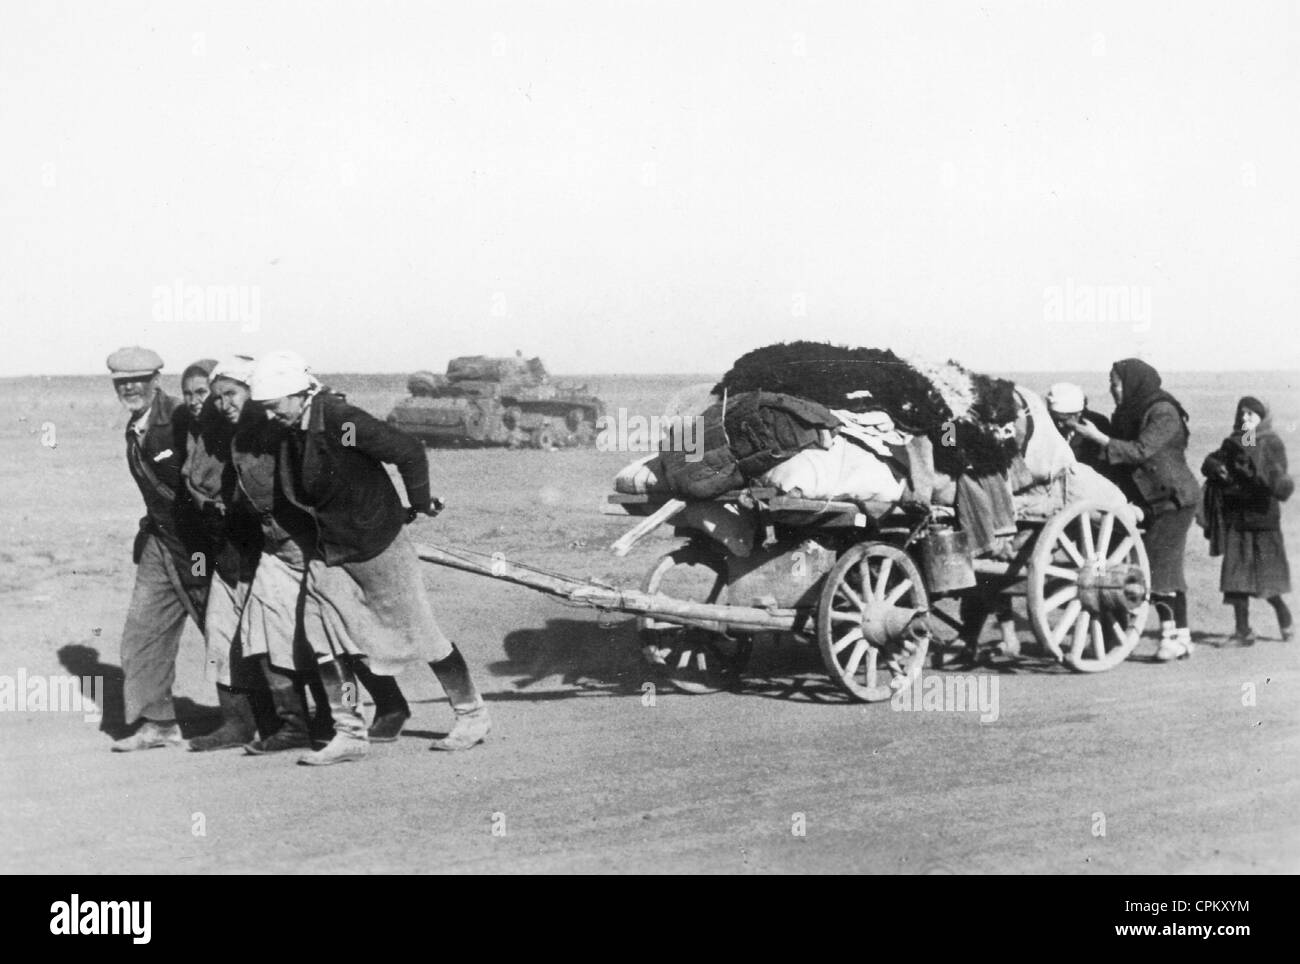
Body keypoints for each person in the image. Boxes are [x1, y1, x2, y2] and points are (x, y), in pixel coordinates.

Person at [250, 350, 490, 765]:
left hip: (377, 544)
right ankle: (350, 732)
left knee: (419, 633)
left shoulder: (341, 421)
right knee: (323, 637)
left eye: (273, 407)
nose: (270, 417)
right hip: (331, 551)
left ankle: (472, 715)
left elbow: (407, 450)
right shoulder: (291, 429)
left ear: (295, 395)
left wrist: (417, 505)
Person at [105, 346, 211, 750]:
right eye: (122, 382)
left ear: (155, 381)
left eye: (137, 381)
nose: (130, 388)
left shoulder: (182, 418)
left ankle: (274, 715)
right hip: (160, 541)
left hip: (198, 545)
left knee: (219, 625)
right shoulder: (137, 425)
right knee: (143, 632)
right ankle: (158, 723)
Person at [1073, 359, 1200, 660]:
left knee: (1158, 565)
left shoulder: (1163, 412)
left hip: (1173, 499)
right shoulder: (1128, 412)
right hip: (1147, 500)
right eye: (1110, 382)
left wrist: (1099, 438)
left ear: (1132, 383)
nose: (1112, 389)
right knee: (1162, 566)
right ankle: (1181, 636)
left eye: (1116, 382)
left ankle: (1171, 636)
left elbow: (1141, 451)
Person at [180, 357, 275, 750]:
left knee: (273, 640)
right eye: (195, 395)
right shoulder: (206, 436)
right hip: (227, 555)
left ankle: (302, 722)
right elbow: (194, 482)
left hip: (264, 553)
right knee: (221, 638)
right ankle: (237, 723)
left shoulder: (259, 433)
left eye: (212, 393)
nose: (205, 402)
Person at [1201, 397, 1293, 643]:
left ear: (1262, 419)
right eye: (1242, 414)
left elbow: (1278, 480)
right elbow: (1211, 461)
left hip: (1262, 519)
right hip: (1237, 519)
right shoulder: (1234, 442)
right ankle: (1243, 631)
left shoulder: (1271, 443)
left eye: (1251, 415)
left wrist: (1252, 467)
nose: (1245, 419)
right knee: (1236, 577)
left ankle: (1284, 617)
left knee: (1266, 578)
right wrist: (1215, 467)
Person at [1046, 382, 1113, 472]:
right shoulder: (1048, 425)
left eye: (1063, 420)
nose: (1059, 424)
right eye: (1055, 419)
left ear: (1077, 414)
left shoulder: (1099, 424)